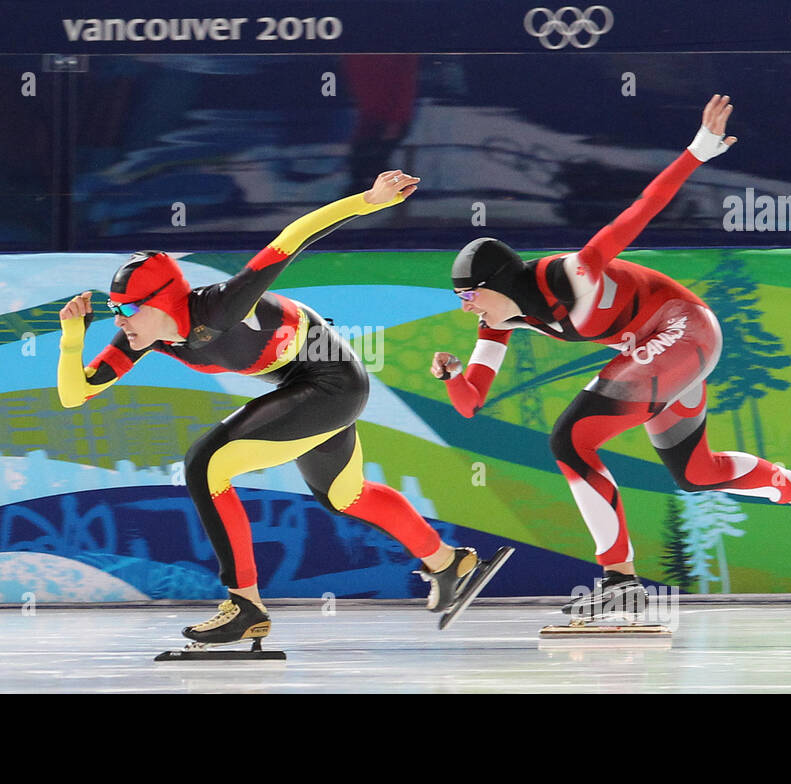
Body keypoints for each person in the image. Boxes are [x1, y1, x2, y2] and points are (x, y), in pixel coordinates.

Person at [431, 95, 791, 618]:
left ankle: (619, 580)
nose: (467, 308)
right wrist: (452, 375)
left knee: (571, 438)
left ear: (496, 285)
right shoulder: (498, 322)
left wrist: (697, 152)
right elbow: (471, 403)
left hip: (685, 330)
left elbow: (638, 213)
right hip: (658, 355)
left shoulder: (573, 274)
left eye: (468, 296)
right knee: (695, 472)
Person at [58, 171, 487, 647]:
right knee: (345, 496)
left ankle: (245, 606)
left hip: (331, 380)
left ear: (162, 301)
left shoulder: (219, 307)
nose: (119, 322)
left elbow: (293, 237)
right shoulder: (146, 337)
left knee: (206, 462)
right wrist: (71, 341)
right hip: (305, 384)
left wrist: (369, 200)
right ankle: (450, 562)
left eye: (127, 309)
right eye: (114, 311)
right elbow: (76, 394)